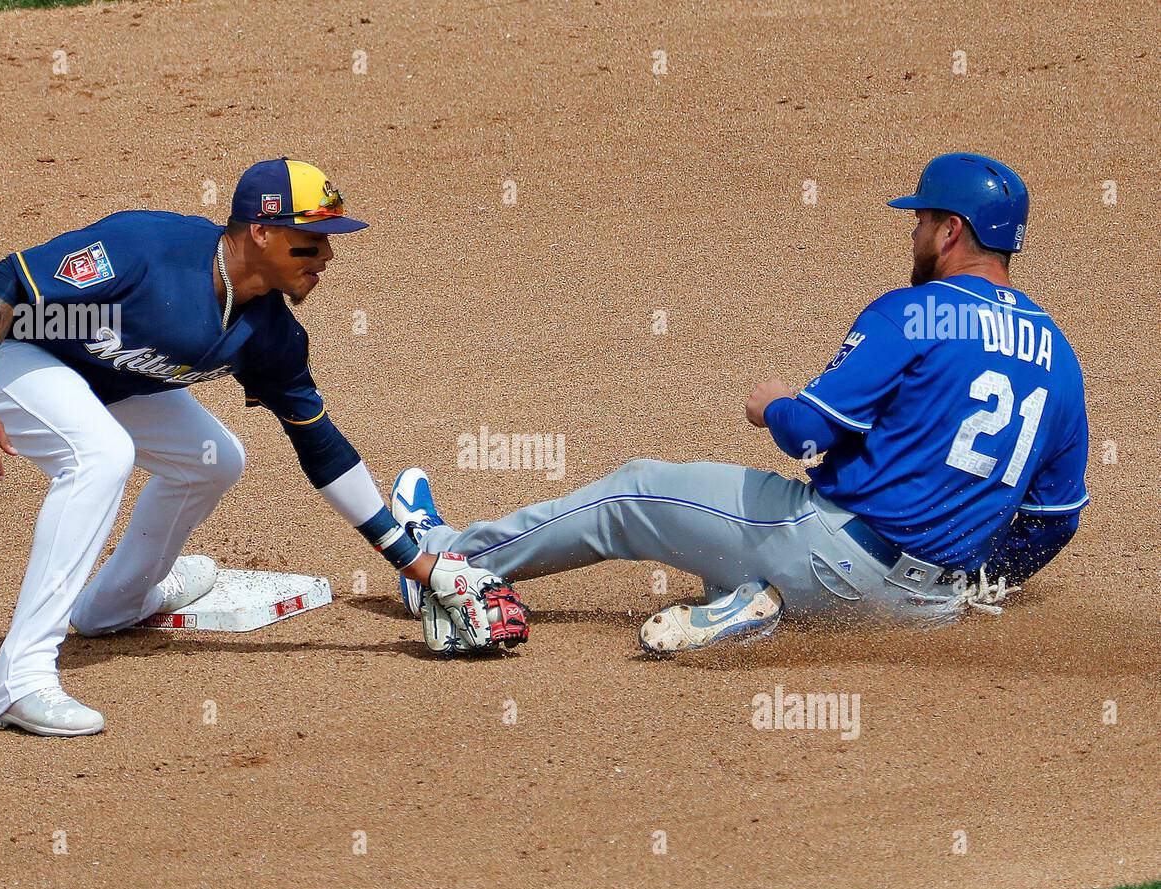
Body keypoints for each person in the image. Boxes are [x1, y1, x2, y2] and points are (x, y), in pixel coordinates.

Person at [390, 153, 1088, 655]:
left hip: (831, 556)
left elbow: (810, 434)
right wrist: (964, 586)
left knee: (632, 493)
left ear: (951, 232)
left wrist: (773, 405)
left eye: (920, 221)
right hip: (927, 613)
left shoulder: (917, 313)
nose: (911, 234)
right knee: (759, 540)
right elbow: (1052, 523)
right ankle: (751, 604)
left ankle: (443, 564)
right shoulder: (1061, 358)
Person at [0, 157, 526, 735]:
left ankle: (115, 603)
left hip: (96, 375)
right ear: (261, 232)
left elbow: (322, 448)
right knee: (101, 454)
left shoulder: (269, 333)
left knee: (213, 460)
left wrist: (416, 565)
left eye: (327, 242)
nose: (326, 256)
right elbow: (5, 281)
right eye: (310, 241)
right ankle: (19, 681)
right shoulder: (149, 250)